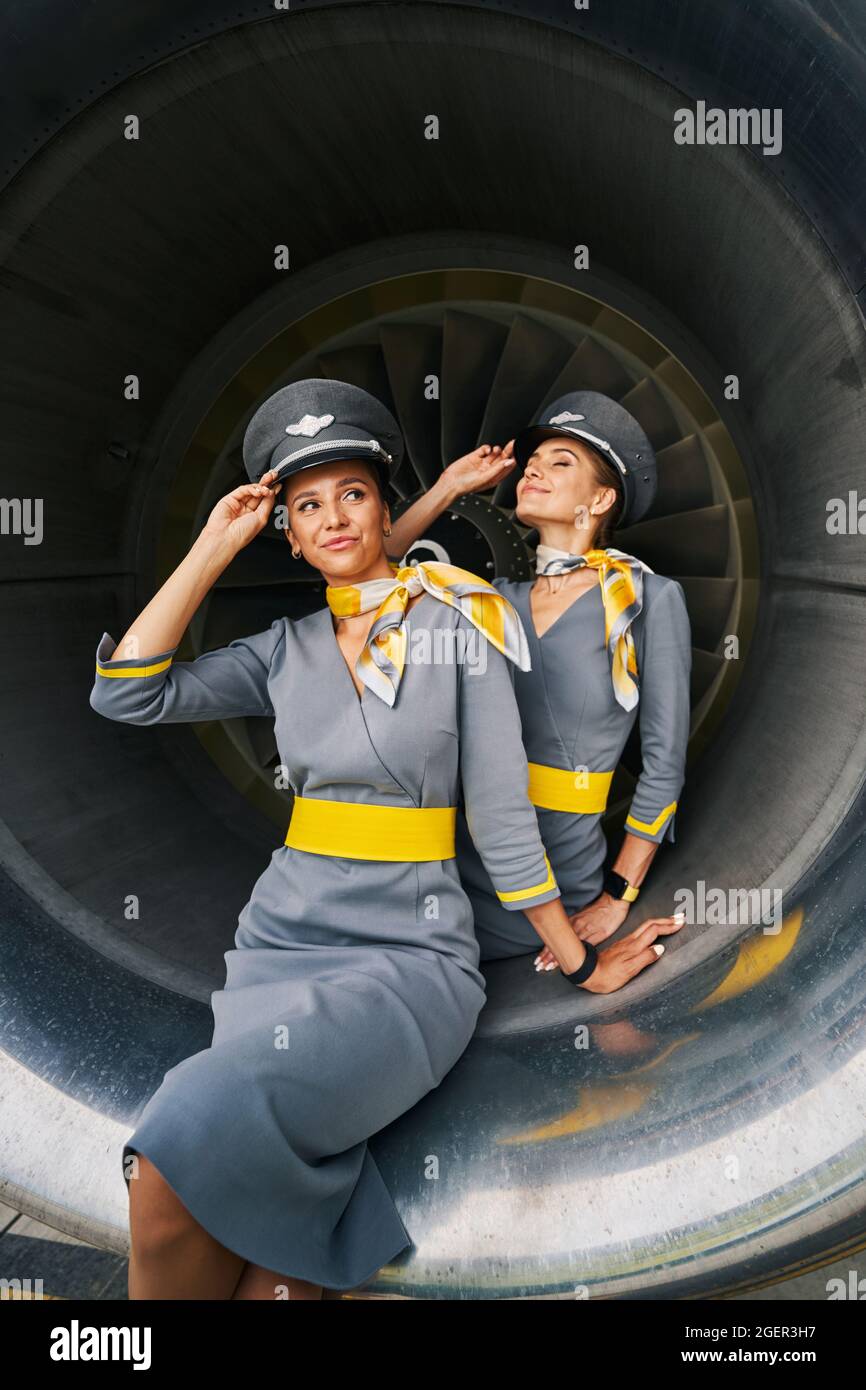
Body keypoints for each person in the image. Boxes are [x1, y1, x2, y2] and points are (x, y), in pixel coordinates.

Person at [89, 379, 684, 1301]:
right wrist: (213, 546)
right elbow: (128, 691)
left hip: (410, 958)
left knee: (172, 1158)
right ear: (284, 531)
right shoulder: (282, 651)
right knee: (273, 1282)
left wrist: (579, 962)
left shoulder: (462, 625)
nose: (334, 518)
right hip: (280, 951)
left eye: (354, 494)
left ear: (383, 506)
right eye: (306, 506)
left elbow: (500, 816)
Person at [387, 390, 692, 964]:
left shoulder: (646, 600)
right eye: (532, 463)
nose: (534, 470)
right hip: (447, 862)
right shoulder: (492, 601)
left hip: (552, 877)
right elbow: (371, 581)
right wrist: (447, 489)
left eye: (561, 462)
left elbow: (664, 763)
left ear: (601, 498)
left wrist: (617, 896)